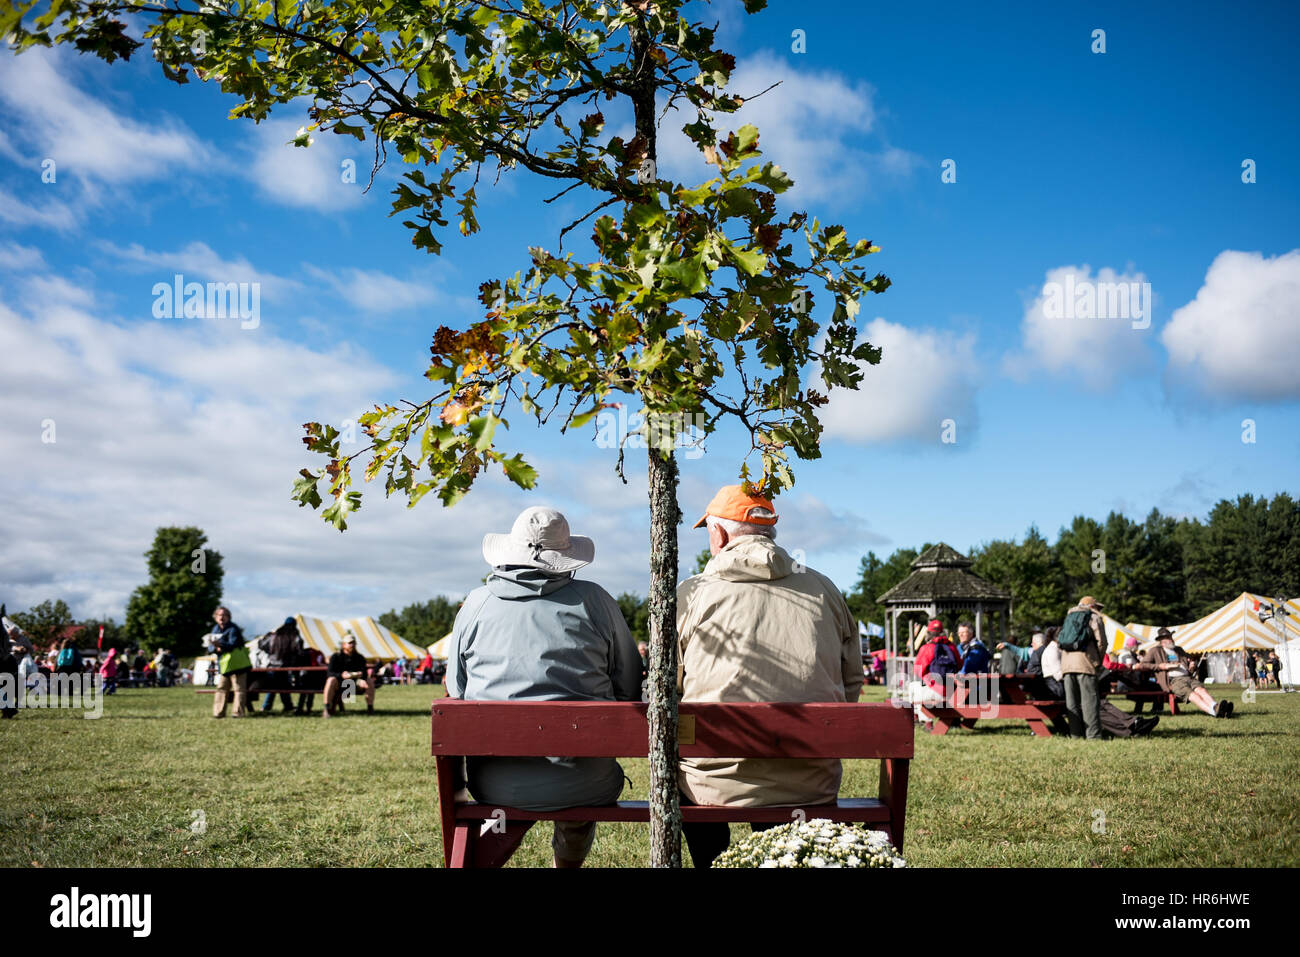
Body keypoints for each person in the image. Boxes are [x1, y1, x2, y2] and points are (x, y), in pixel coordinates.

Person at [675, 486, 863, 868]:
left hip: (710, 781)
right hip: (807, 777)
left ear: (720, 534)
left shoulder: (691, 594)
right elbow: (852, 681)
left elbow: (669, 687)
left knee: (689, 783)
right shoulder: (823, 588)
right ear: (769, 531)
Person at [446, 505, 641, 868]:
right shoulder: (595, 600)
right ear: (564, 556)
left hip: (495, 782)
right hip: (584, 782)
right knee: (575, 788)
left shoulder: (475, 604)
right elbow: (629, 687)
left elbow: (456, 691)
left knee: (516, 801)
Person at [1139, 628, 1231, 718]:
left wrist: (1192, 665)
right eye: (1167, 637)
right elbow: (1143, 664)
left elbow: (1190, 661)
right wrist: (1160, 666)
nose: (1171, 639)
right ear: (1161, 640)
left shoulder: (1179, 649)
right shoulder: (1155, 650)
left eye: (1170, 636)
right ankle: (1215, 712)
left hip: (1188, 677)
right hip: (1173, 681)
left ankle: (1216, 707)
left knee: (1202, 690)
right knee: (1193, 695)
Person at [1058, 596, 1107, 739]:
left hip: (1067, 665)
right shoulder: (1094, 618)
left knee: (1071, 702)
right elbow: (1102, 643)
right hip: (1086, 663)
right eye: (1097, 607)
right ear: (1092, 607)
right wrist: (1098, 661)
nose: (1099, 610)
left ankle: (1075, 735)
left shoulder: (1069, 617)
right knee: (1089, 702)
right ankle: (1093, 736)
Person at [207, 606, 250, 718]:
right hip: (224, 665)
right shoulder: (215, 629)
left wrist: (220, 645)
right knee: (221, 688)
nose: (221, 617)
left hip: (237, 665)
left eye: (224, 615)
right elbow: (211, 647)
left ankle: (238, 713)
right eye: (219, 615)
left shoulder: (233, 628)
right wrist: (216, 648)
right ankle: (218, 712)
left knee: (239, 688)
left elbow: (233, 644)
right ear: (215, 617)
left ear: (228, 617)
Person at [258, 618, 305, 713]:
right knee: (280, 686)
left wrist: (269, 650)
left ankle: (271, 706)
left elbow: (261, 645)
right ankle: (273, 706)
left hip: (272, 666)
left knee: (276, 686)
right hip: (285, 667)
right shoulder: (295, 637)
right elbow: (300, 652)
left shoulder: (273, 636)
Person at [322, 634, 374, 716]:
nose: (352, 645)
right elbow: (330, 673)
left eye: (353, 643)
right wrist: (341, 675)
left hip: (354, 683)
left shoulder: (359, 657)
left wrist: (362, 677)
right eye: (349, 643)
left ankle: (370, 708)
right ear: (343, 645)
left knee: (369, 681)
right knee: (331, 680)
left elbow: (364, 672)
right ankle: (326, 709)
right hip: (339, 683)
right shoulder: (336, 656)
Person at [914, 619, 962, 693]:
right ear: (942, 632)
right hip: (952, 690)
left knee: (913, 687)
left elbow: (918, 671)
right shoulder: (952, 647)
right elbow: (959, 665)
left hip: (933, 690)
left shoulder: (926, 648)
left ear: (928, 633)